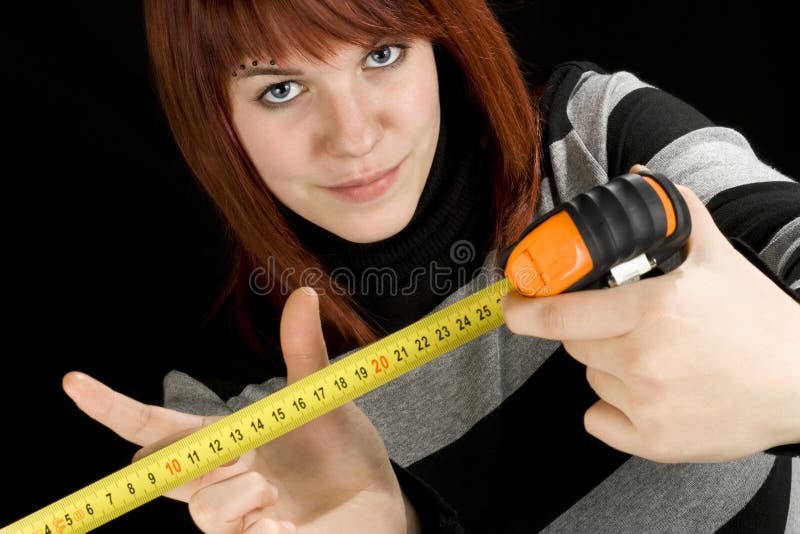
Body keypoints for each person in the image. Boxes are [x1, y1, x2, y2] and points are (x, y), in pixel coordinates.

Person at [60, 0, 800, 532]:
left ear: (442, 41)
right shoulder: (224, 415)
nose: (352, 138)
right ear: (213, 118)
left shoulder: (598, 138)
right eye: (280, 89)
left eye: (382, 54)